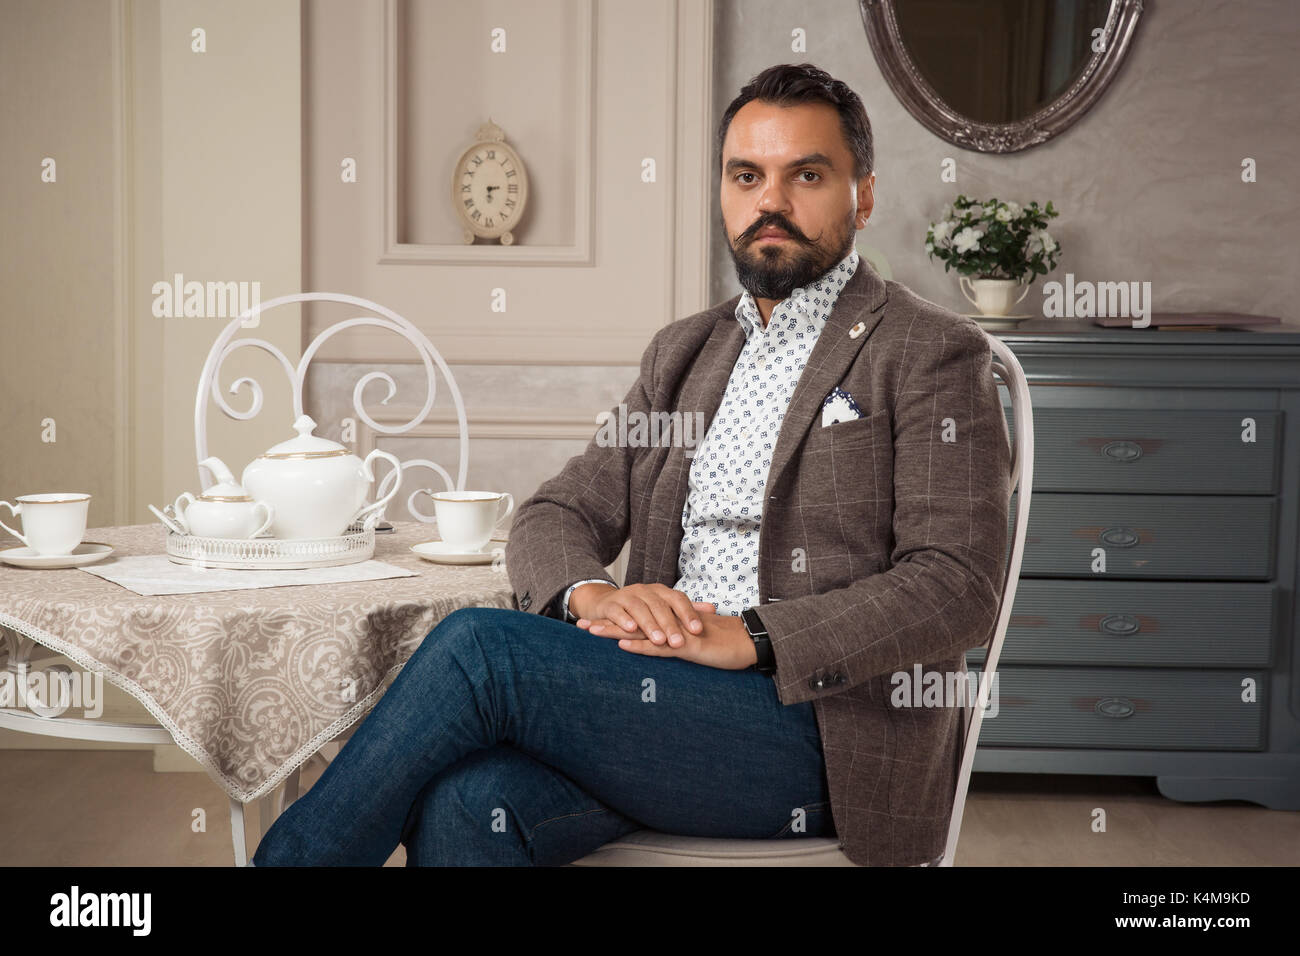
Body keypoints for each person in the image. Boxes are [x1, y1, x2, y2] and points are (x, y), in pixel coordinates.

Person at [252, 62, 1011, 868]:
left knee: (480, 650)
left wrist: (751, 636)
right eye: (746, 175)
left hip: (821, 732)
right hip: (654, 703)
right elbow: (557, 513)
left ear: (862, 195)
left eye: (808, 175)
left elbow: (956, 586)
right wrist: (595, 598)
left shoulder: (928, 350)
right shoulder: (685, 352)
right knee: (468, 804)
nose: (770, 203)